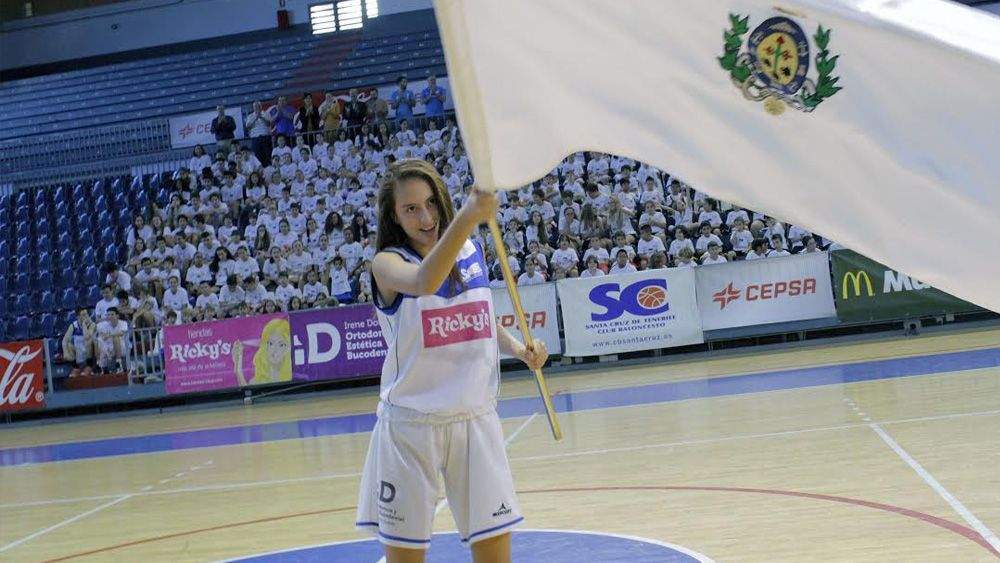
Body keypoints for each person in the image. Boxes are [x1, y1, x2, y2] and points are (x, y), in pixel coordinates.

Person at [357, 159, 546, 563]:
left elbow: (477, 317)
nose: (426, 217)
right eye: (411, 209)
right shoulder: (386, 264)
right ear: (393, 216)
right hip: (410, 427)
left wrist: (518, 349)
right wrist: (469, 215)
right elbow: (424, 282)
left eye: (430, 203)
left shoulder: (471, 249)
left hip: (475, 420)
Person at [232, 317, 292, 386]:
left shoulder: (293, 375)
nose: (275, 349)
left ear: (288, 348)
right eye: (270, 343)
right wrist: (238, 370)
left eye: (281, 345)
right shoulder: (257, 380)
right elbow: (247, 390)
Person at [245, 100, 274, 166]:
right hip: (255, 139)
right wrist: (255, 118)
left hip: (266, 138)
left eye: (258, 106)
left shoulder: (266, 114)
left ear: (260, 107)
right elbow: (248, 127)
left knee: (268, 155)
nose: (256, 108)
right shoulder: (250, 116)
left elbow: (268, 124)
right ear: (253, 108)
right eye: (255, 106)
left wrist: (261, 117)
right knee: (257, 156)